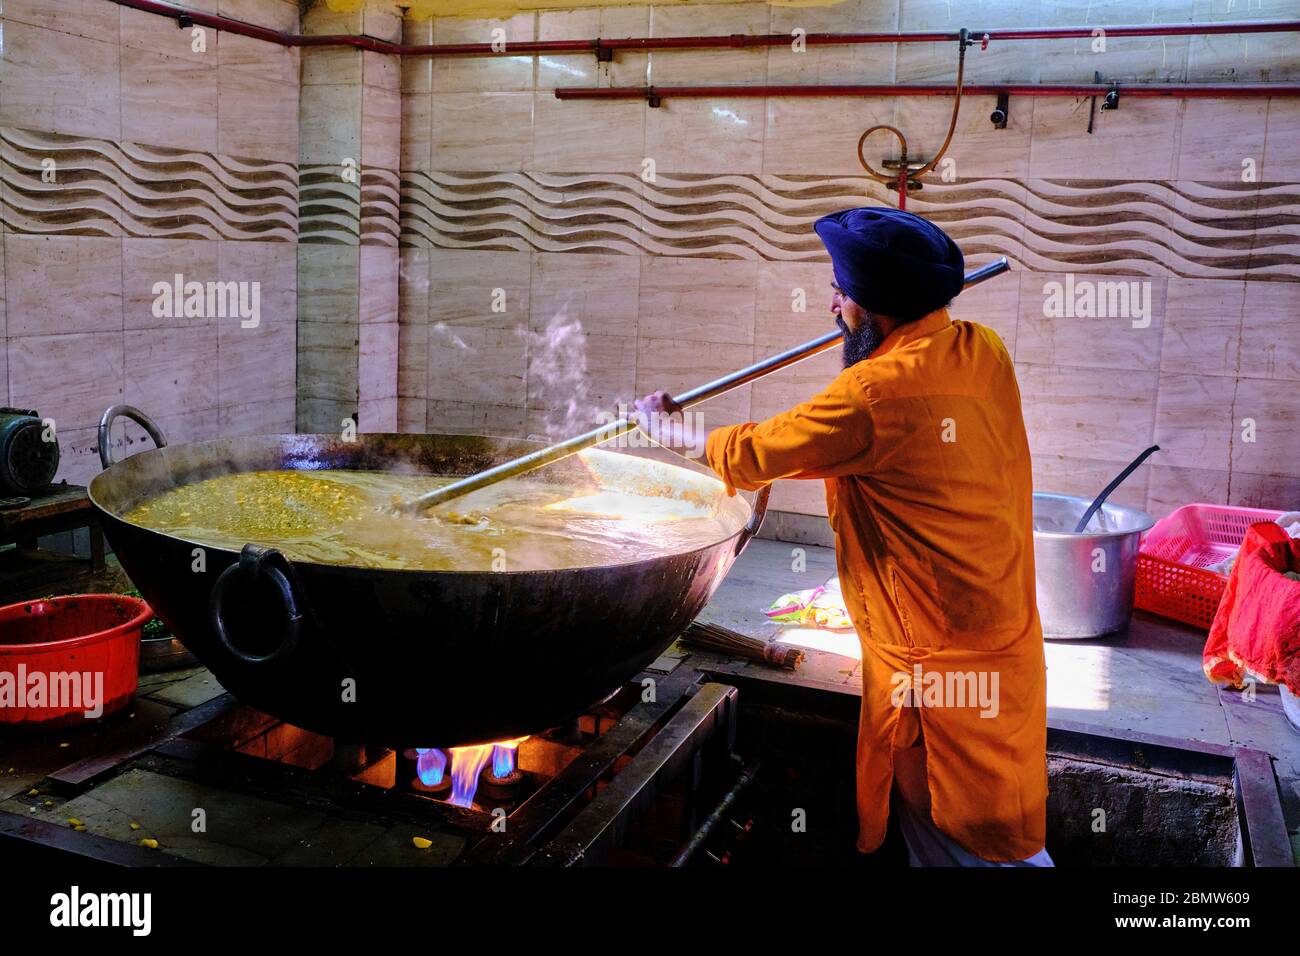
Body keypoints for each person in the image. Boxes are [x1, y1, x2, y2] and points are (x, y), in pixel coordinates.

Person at [634, 207, 1052, 867]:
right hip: (1002, 645)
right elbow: (854, 446)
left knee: (970, 845)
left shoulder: (872, 393)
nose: (832, 305)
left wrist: (666, 430)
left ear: (878, 308)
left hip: (935, 674)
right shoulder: (981, 349)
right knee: (976, 828)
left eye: (842, 293)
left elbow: (760, 451)